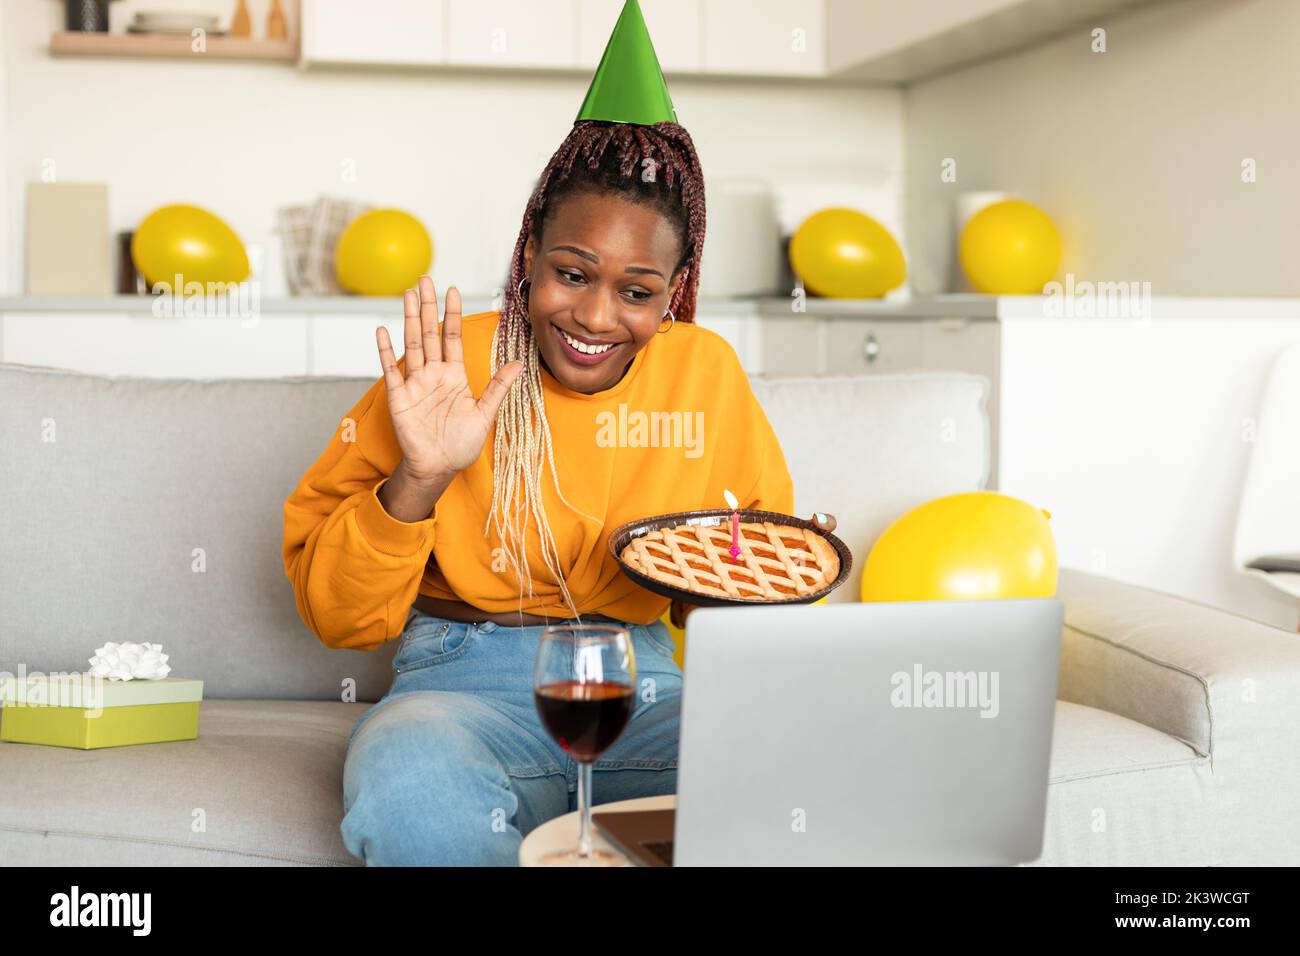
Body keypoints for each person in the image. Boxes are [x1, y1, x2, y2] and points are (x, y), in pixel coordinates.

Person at [281, 2, 835, 866]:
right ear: (530, 250)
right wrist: (420, 479)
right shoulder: (446, 365)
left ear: (676, 287)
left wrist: (768, 580)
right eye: (570, 273)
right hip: (463, 683)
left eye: (637, 291)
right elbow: (337, 618)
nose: (594, 316)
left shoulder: (706, 373)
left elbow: (730, 599)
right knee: (411, 785)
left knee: (793, 761)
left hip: (644, 684)